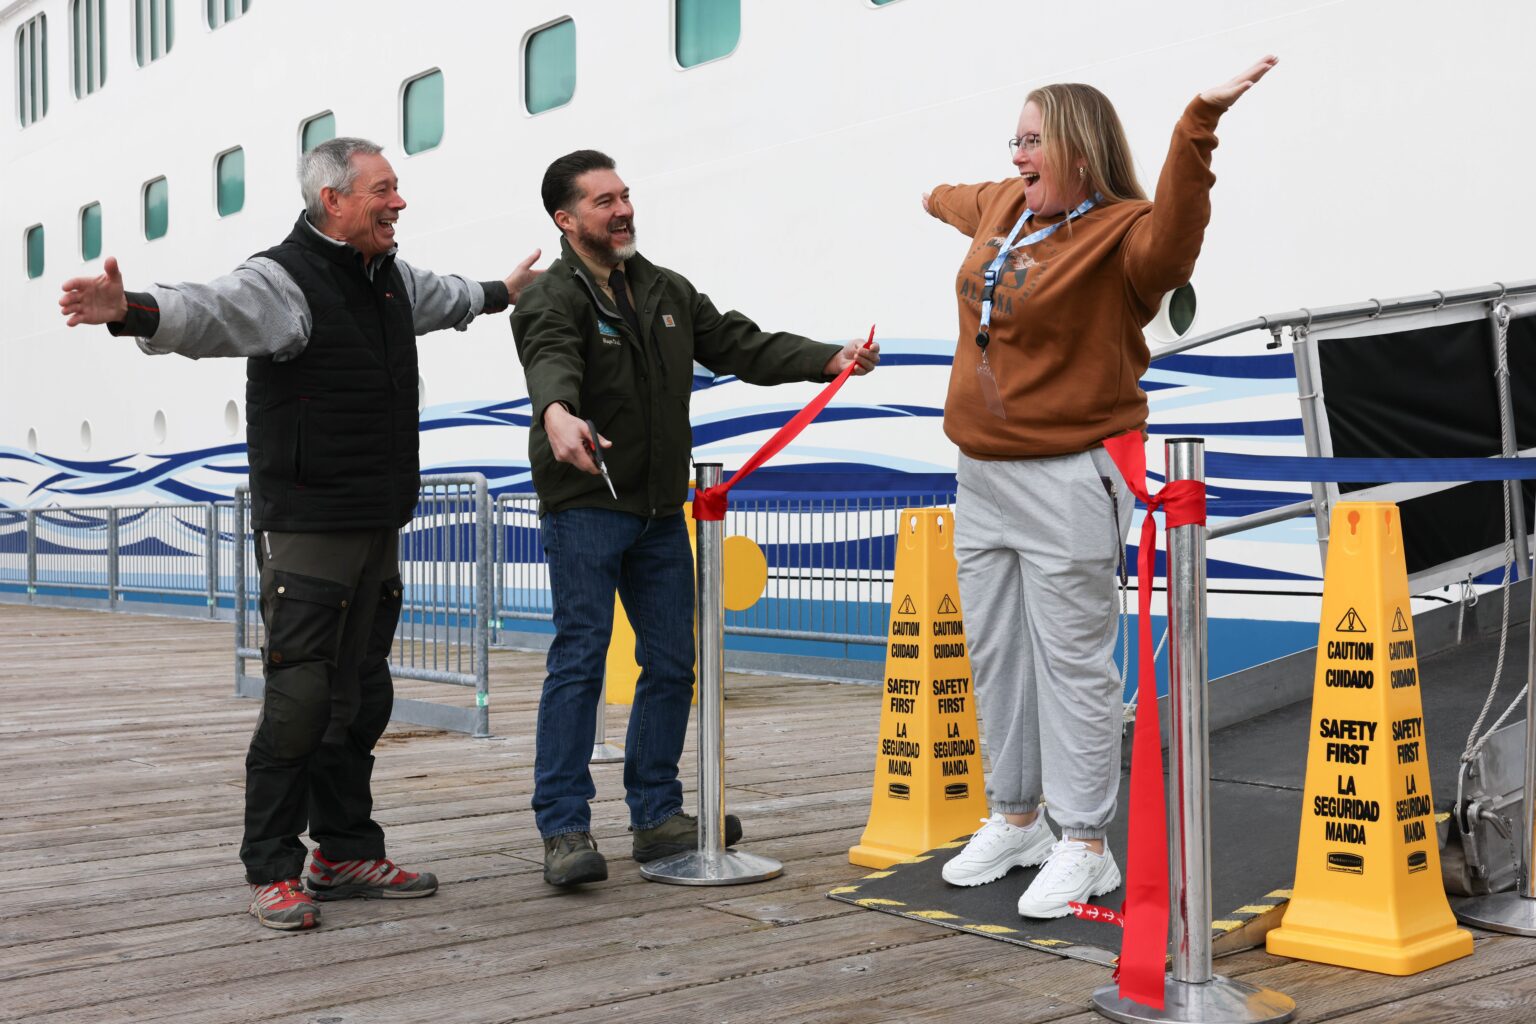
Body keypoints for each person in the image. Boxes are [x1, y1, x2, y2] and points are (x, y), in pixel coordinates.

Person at [57, 137, 543, 931]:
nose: (399, 202)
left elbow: (447, 296)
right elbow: (210, 310)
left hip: (376, 521)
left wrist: (501, 291)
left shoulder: (387, 280)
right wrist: (131, 310)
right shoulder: (284, 283)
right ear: (334, 201)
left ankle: (346, 851)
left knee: (361, 696)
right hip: (310, 526)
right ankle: (272, 865)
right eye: (384, 189)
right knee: (300, 699)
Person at [925, 58, 1278, 917]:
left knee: (1073, 665)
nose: (1017, 157)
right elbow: (954, 198)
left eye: (1032, 141)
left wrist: (1197, 123)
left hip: (1069, 476)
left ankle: (1085, 840)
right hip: (982, 476)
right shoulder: (1007, 205)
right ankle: (1017, 817)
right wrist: (935, 196)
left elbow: (1180, 232)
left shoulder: (1123, 234)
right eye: (1013, 141)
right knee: (997, 655)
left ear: (1080, 150)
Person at [511, 149, 879, 887]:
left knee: (672, 663)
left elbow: (740, 343)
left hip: (656, 511)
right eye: (603, 201)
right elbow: (549, 361)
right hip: (586, 506)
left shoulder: (665, 289)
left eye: (624, 195)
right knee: (580, 660)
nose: (622, 210)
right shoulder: (551, 298)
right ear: (565, 218)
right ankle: (564, 827)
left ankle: (656, 817)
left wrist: (827, 358)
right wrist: (556, 413)